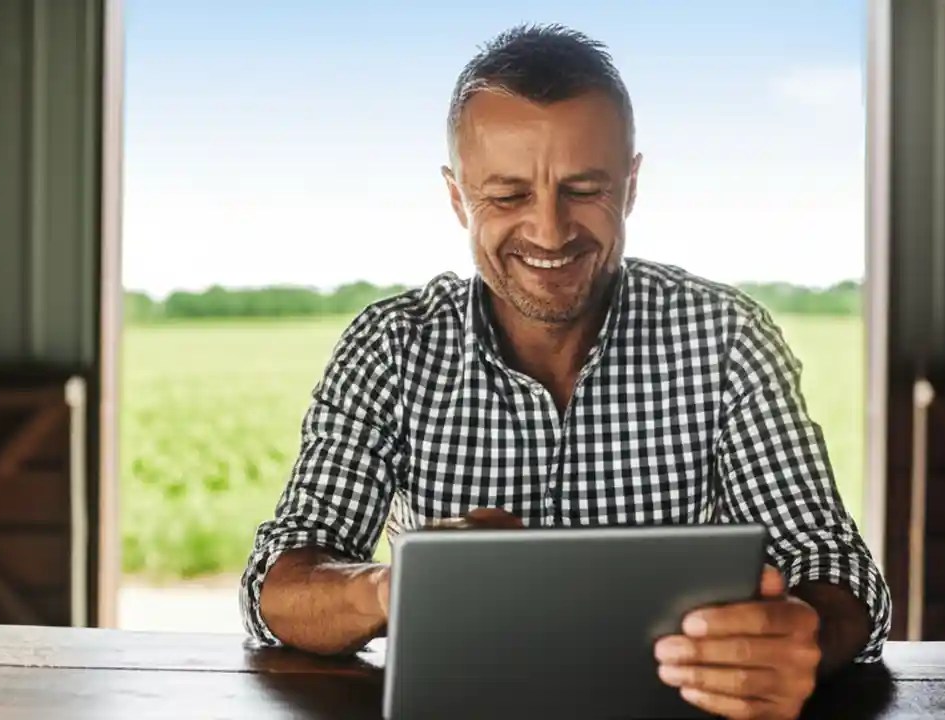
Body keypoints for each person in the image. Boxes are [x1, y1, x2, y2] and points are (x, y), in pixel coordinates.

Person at [240, 24, 890, 720]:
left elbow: (833, 562)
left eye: (584, 189)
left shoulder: (727, 336)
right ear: (459, 199)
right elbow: (276, 584)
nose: (550, 232)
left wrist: (806, 639)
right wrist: (391, 589)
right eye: (508, 196)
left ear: (631, 186)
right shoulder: (391, 347)